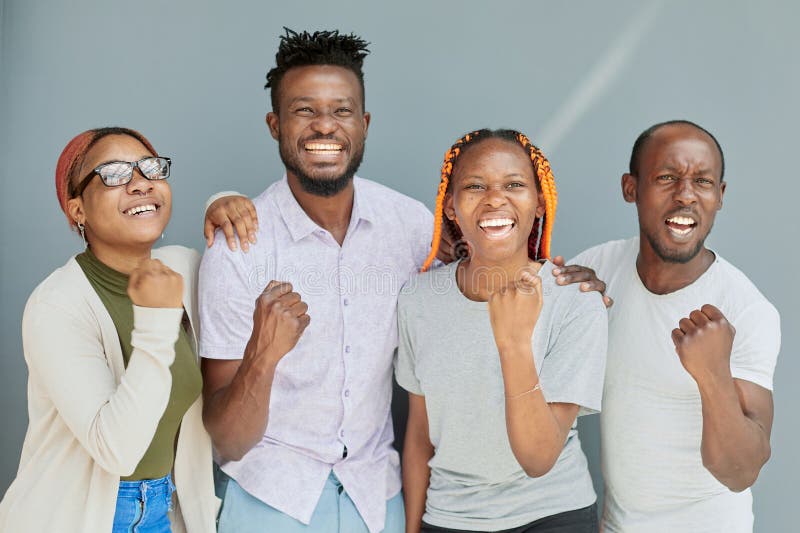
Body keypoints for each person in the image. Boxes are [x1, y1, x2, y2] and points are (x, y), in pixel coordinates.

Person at [0, 127, 256, 532]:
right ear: (77, 211)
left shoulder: (184, 267)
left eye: (150, 168)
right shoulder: (56, 305)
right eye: (114, 174)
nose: (140, 183)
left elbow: (253, 269)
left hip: (161, 509)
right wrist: (156, 322)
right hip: (75, 518)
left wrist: (222, 202)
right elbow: (117, 449)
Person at [567, 120, 780, 532]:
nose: (685, 195)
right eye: (667, 177)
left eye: (703, 181)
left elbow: (740, 472)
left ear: (720, 196)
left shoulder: (747, 310)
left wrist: (713, 375)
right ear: (631, 188)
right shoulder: (599, 268)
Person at [396, 129, 607, 533]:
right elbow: (420, 434)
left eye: (514, 185)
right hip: (451, 517)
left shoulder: (575, 300)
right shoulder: (417, 300)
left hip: (552, 515)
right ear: (451, 206)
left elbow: (539, 458)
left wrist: (514, 343)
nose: (495, 198)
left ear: (539, 202)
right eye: (475, 186)